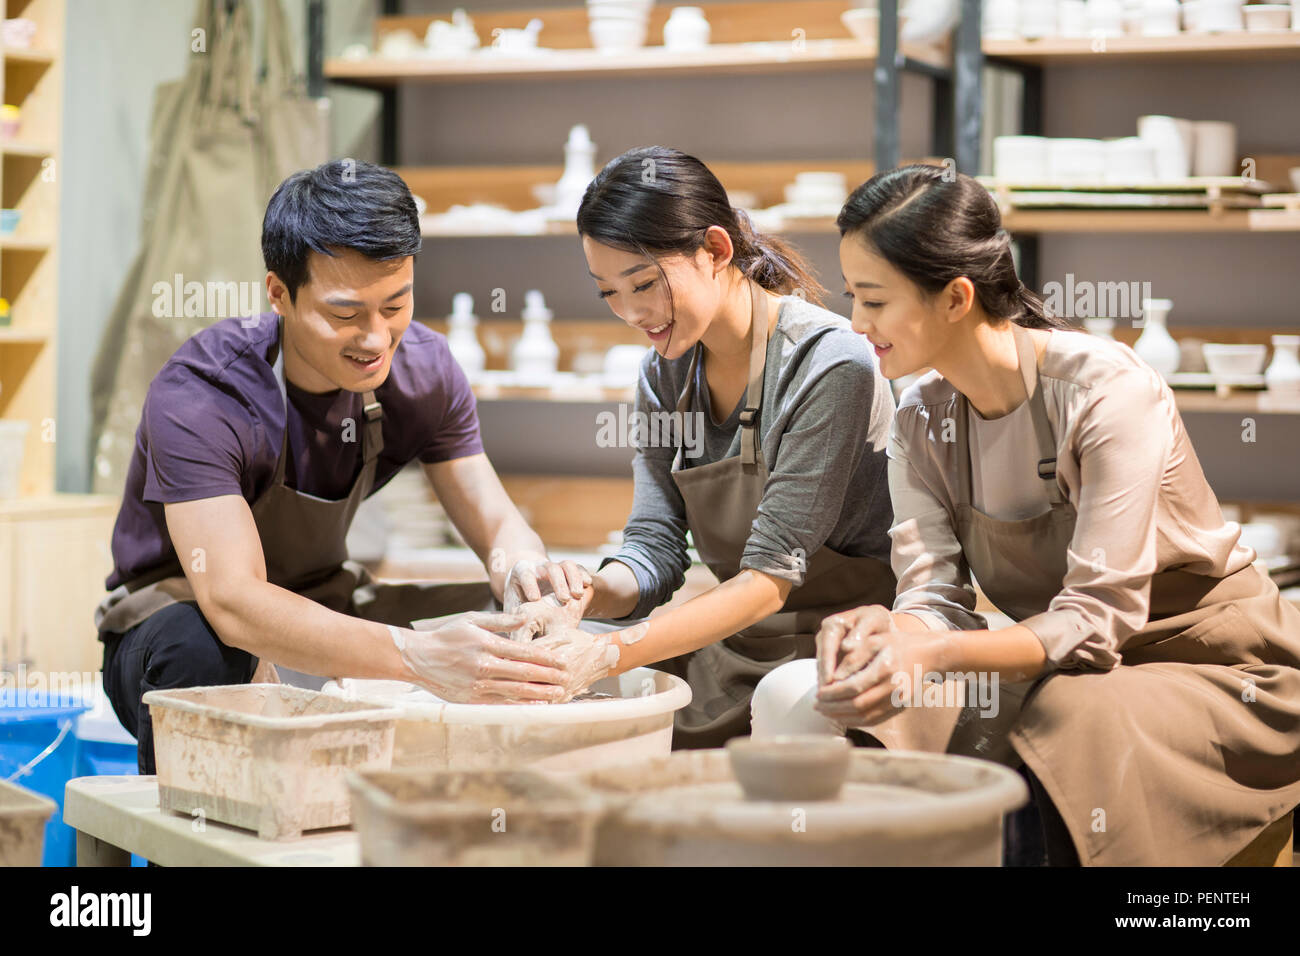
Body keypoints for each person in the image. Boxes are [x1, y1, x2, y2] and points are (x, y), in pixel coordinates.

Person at [763, 163, 1300, 866]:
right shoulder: (922, 418)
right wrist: (887, 632)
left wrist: (930, 651)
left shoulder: (1105, 392)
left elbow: (1095, 620)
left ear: (956, 297)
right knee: (867, 702)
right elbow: (935, 599)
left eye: (873, 300)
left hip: (1217, 665)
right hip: (1070, 663)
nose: (856, 324)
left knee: (1067, 717)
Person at [97, 159, 589, 773]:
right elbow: (233, 600)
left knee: (518, 631)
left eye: (396, 305)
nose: (377, 339)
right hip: (180, 619)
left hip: (330, 604)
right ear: (278, 292)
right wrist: (416, 656)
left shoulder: (425, 372)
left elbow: (495, 524)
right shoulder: (204, 392)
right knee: (198, 648)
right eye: (345, 314)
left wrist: (525, 577)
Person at [545, 146, 898, 748]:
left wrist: (606, 652)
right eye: (608, 292)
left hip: (841, 652)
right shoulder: (664, 375)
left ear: (715, 249)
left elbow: (768, 578)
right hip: (733, 641)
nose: (632, 313)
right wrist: (586, 593)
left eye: (644, 283)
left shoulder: (828, 361)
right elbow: (655, 546)